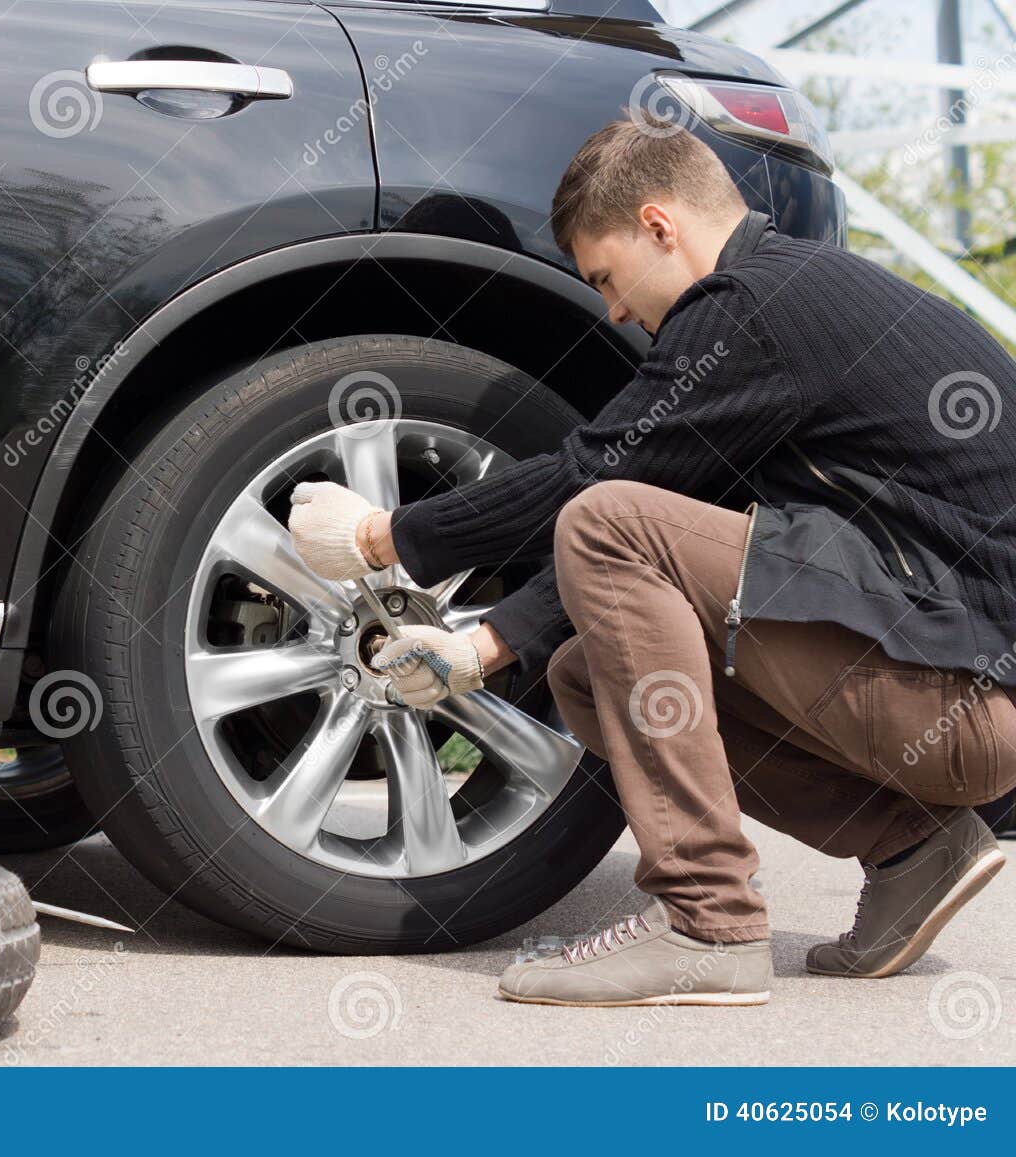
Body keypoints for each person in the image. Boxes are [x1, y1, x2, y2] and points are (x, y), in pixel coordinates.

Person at [287, 115, 1015, 1007]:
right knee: (585, 673)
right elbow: (664, 517)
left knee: (606, 518)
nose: (614, 310)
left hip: (962, 699)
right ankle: (913, 850)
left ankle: (707, 923)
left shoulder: (747, 309)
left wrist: (381, 538)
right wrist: (486, 649)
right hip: (955, 687)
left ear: (660, 225)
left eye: (606, 275)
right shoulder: (795, 296)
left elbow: (595, 482)